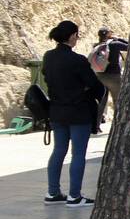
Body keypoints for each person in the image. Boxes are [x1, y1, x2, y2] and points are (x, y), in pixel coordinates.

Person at [42, 21, 103, 206]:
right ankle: (74, 195)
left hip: (57, 111)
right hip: (78, 112)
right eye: (77, 35)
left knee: (58, 150)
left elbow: (47, 77)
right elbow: (95, 86)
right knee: (78, 154)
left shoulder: (48, 57)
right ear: (71, 36)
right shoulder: (77, 60)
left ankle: (53, 192)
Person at [91, 27, 129, 124]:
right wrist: (118, 39)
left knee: (101, 101)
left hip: (99, 76)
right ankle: (119, 123)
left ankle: (95, 125)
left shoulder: (97, 45)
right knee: (118, 101)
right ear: (108, 34)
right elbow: (129, 46)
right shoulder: (114, 44)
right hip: (113, 77)